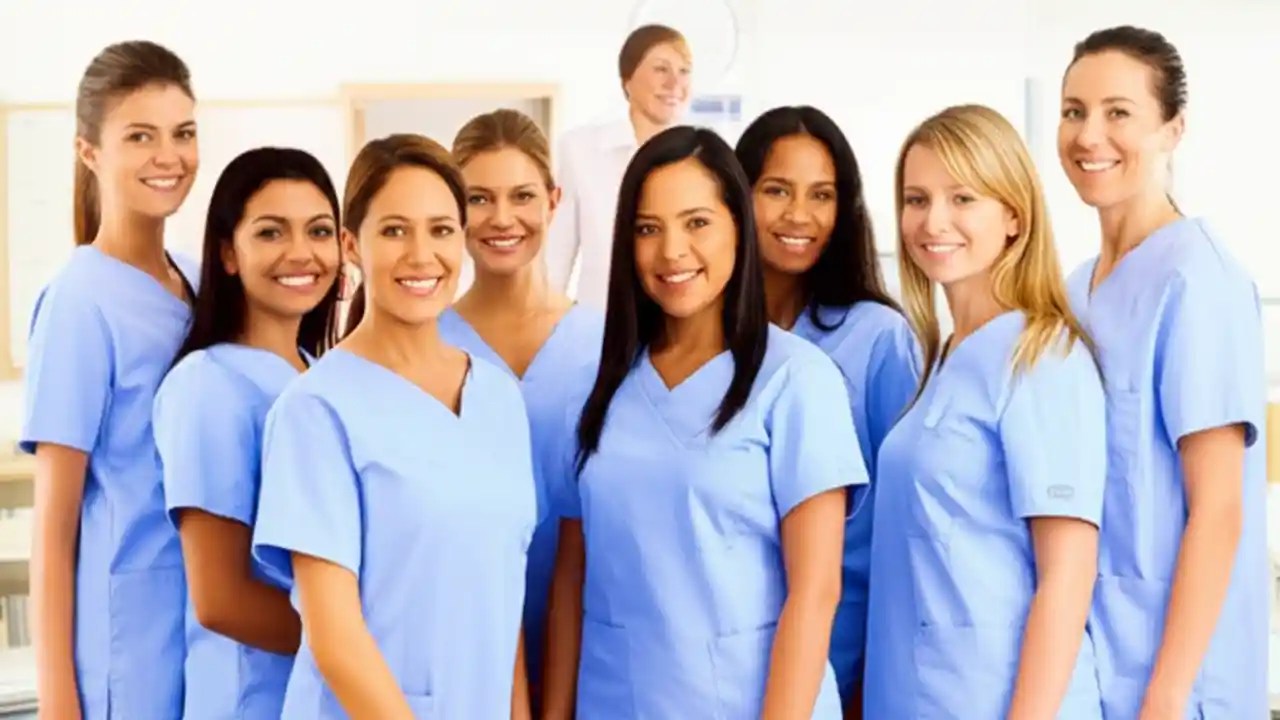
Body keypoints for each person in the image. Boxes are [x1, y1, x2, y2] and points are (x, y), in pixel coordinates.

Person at [542, 126, 862, 719]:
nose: (672, 251)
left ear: (737, 226)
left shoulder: (797, 380)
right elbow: (571, 580)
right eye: (648, 229)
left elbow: (815, 593)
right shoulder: (593, 389)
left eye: (696, 223)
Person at [250, 133, 541, 719]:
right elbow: (335, 638)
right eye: (394, 231)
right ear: (352, 245)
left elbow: (501, 594)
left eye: (441, 230)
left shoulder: (499, 397)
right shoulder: (317, 409)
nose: (421, 255)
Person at [862, 104, 1106, 719]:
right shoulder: (944, 359)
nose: (933, 220)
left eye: (962, 198)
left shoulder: (1043, 355)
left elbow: (1068, 575)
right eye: (916, 200)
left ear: (1014, 216)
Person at [1058, 26, 1268, 718]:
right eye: (1074, 111)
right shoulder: (1077, 290)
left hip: (1177, 683)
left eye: (1118, 112)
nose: (1089, 135)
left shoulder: (1197, 279)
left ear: (1174, 129)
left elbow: (1219, 508)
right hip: (1095, 663)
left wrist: (1168, 694)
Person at [20, 40, 199, 720]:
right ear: (89, 152)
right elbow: (53, 528)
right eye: (140, 136)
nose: (169, 155)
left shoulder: (200, 282)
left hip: (201, 636)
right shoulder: (79, 302)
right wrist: (59, 704)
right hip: (124, 653)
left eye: (183, 133)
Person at [734, 105, 920, 712]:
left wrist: (871, 675)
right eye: (777, 190)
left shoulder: (878, 339)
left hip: (845, 661)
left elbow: (904, 525)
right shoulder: (706, 343)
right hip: (726, 658)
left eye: (822, 195)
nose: (799, 215)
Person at [152, 147, 342, 719]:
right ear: (228, 254)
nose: (301, 252)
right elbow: (221, 599)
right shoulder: (208, 384)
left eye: (319, 231)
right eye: (270, 232)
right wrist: (362, 650)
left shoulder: (322, 374)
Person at [441, 109, 605, 710]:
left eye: (522, 196)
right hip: (461, 636)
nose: (502, 218)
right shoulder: (427, 343)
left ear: (554, 201)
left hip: (595, 635)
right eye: (478, 198)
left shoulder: (606, 345)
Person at [543, 24, 692, 312]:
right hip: (601, 325)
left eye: (684, 71)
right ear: (627, 79)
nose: (674, 83)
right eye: (661, 69)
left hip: (676, 322)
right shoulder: (581, 149)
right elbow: (556, 258)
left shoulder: (704, 158)